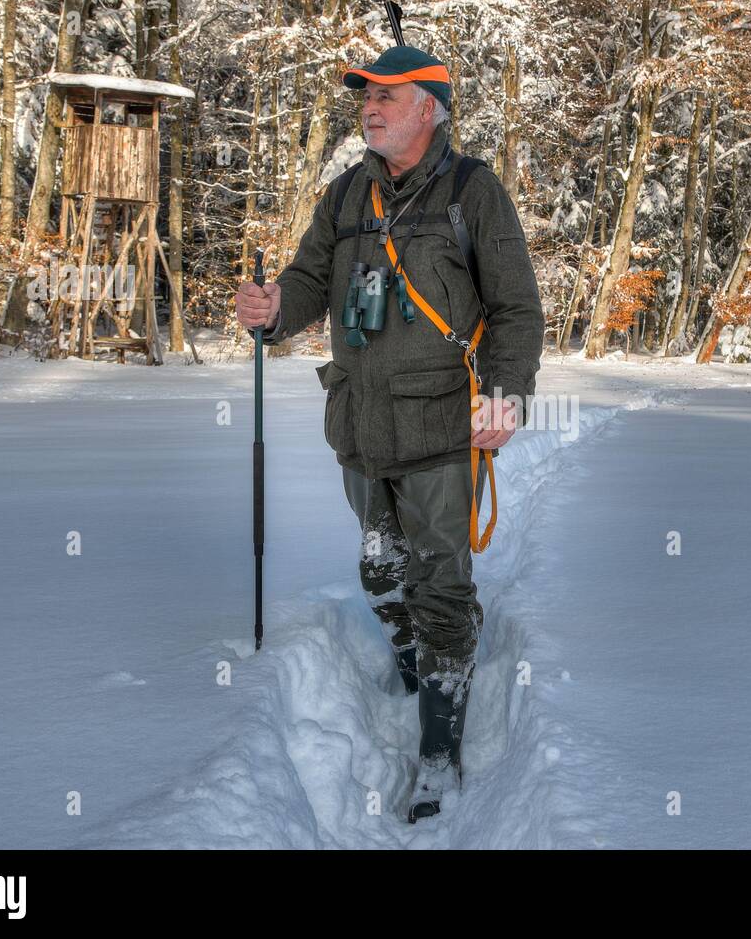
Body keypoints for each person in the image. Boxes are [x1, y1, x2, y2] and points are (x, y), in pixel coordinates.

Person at [233, 45, 544, 823]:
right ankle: (417, 674)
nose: (369, 108)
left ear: (429, 107)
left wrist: (505, 394)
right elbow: (309, 279)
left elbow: (516, 307)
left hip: (441, 427)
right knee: (380, 572)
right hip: (361, 426)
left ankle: (439, 747)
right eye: (365, 97)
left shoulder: (472, 192)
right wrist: (275, 310)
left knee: (441, 585)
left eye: (387, 96)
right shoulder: (346, 193)